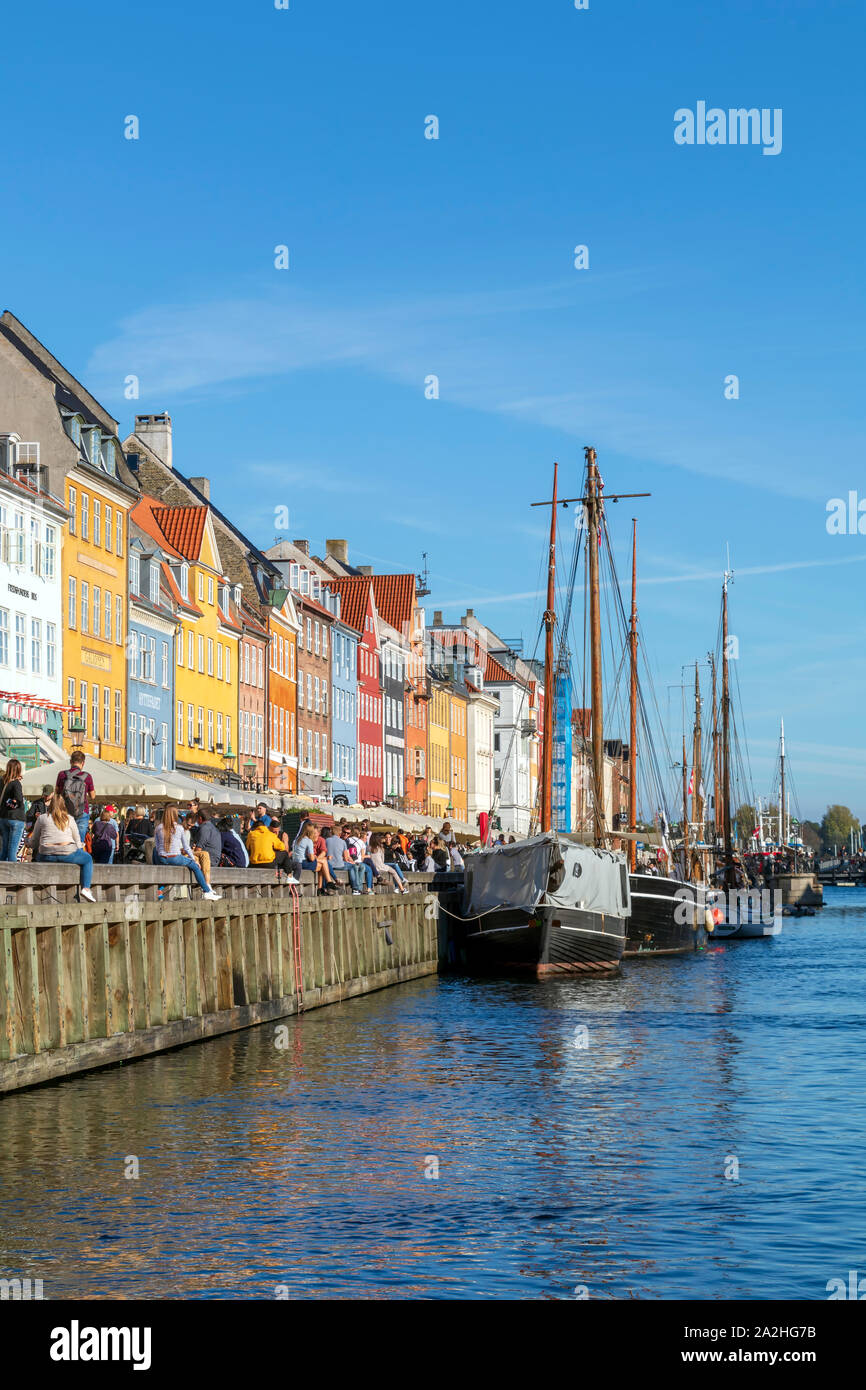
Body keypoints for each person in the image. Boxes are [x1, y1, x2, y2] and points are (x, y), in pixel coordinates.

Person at [31, 792, 95, 901]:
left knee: (37, 856)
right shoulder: (69, 818)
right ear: (63, 805)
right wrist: (79, 851)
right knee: (88, 859)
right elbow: (77, 840)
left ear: (50, 805)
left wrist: (33, 846)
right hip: (67, 853)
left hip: (46, 854)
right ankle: (86, 888)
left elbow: (35, 841)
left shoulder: (42, 818)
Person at [153, 806, 220, 899]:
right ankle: (207, 891)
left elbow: (156, 846)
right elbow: (186, 847)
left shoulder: (158, 828)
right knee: (195, 867)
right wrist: (193, 859)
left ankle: (160, 891)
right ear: (175, 816)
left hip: (162, 858)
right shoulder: (179, 828)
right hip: (175, 858)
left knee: (158, 858)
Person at [56, 751, 95, 842]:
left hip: (65, 812)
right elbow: (92, 796)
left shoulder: (62, 774)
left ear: (70, 761)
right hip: (82, 811)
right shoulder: (87, 776)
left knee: (65, 841)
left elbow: (57, 793)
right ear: (83, 763)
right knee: (79, 843)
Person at [292, 819, 337, 894]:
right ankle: (328, 882)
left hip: (296, 862)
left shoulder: (298, 839)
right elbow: (312, 859)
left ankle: (321, 888)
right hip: (303, 863)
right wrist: (315, 857)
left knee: (323, 863)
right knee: (323, 862)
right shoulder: (308, 841)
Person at [0, 758, 27, 862]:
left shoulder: (1, 781)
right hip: (16, 818)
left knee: (4, 850)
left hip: (3, 818)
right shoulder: (16, 783)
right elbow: (19, 800)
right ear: (19, 770)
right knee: (12, 851)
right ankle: (13, 877)